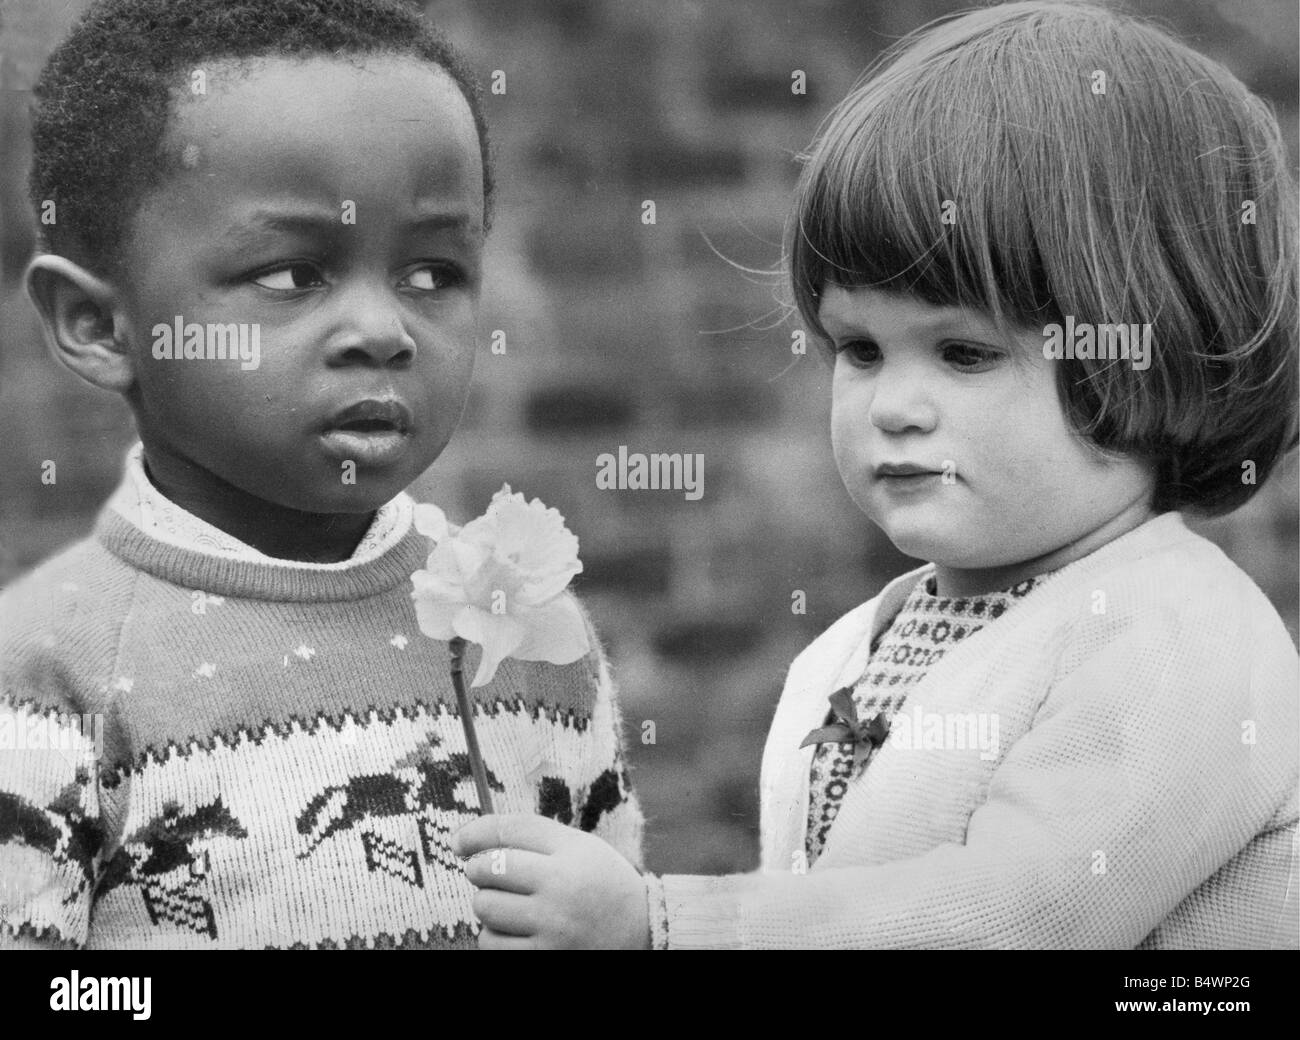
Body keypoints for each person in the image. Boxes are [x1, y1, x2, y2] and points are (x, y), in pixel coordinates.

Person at [455, 0, 1299, 949]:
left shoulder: (1178, 638)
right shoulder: (862, 642)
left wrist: (664, 923)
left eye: (965, 353)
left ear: (1151, 350)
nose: (893, 404)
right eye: (860, 349)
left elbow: (1009, 917)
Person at [0, 0, 641, 949]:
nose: (384, 331)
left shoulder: (525, 623)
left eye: (432, 273)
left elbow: (623, 911)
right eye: (295, 275)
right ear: (98, 325)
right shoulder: (48, 674)